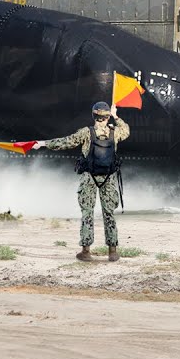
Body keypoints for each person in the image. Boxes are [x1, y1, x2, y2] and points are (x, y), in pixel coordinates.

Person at [34, 101, 129, 261]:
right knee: (109, 214)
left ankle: (86, 252)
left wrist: (42, 143)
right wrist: (116, 116)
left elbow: (65, 142)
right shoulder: (115, 133)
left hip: (89, 177)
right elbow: (126, 130)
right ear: (107, 116)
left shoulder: (86, 132)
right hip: (108, 177)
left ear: (93, 115)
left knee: (87, 213)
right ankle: (112, 252)